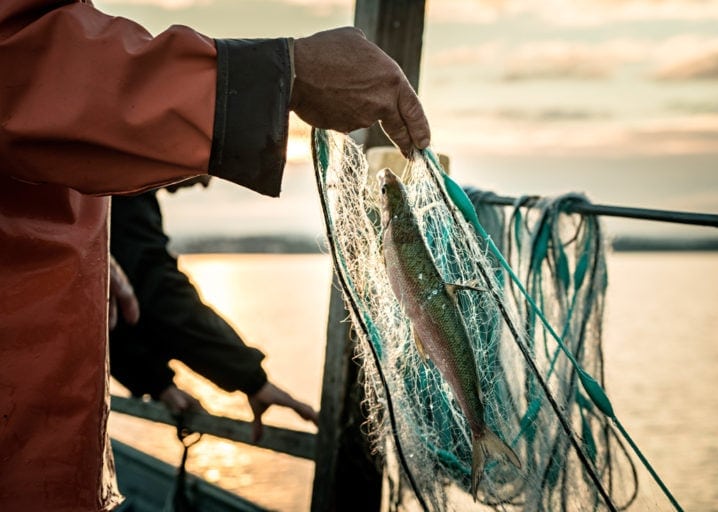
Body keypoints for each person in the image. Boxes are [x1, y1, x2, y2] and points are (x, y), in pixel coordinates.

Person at [0, 0, 431, 509]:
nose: (202, 178)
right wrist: (281, 77)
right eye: (200, 162)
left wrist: (151, 374)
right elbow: (21, 63)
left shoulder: (99, 187)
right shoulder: (117, 181)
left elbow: (140, 298)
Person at [109, 176, 317, 440]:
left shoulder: (102, 176)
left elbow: (104, 297)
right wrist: (251, 379)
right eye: (214, 161)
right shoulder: (120, 178)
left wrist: (156, 382)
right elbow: (154, 288)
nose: (207, 183)